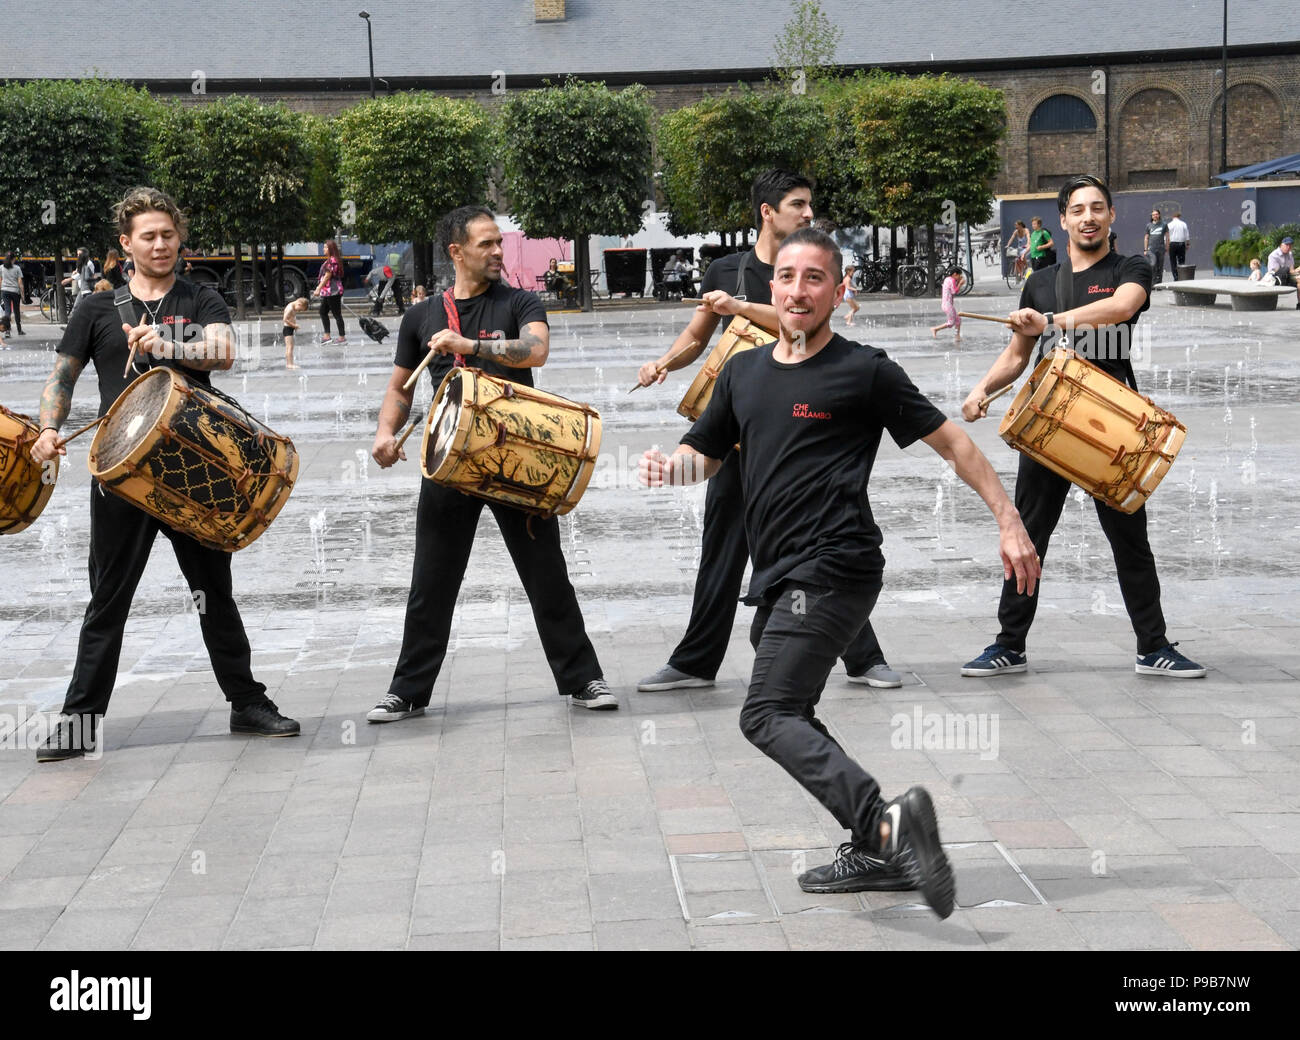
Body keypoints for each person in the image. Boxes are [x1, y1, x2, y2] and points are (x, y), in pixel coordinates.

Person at [639, 227, 1039, 914]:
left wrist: (1009, 520)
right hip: (780, 575)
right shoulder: (742, 371)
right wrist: (668, 467)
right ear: (771, 288)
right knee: (788, 707)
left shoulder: (865, 371)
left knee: (764, 713)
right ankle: (876, 842)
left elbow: (954, 445)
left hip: (835, 566)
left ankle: (890, 823)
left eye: (815, 278)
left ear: (838, 289)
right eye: (787, 277)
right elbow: (705, 456)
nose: (798, 290)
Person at [27, 186, 299, 761]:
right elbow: (63, 377)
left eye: (168, 235)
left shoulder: (202, 296)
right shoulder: (95, 308)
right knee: (108, 599)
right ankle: (79, 723)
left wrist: (170, 341)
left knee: (213, 593)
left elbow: (224, 351)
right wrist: (49, 429)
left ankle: (248, 703)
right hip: (121, 475)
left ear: (180, 239)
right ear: (125, 244)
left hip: (196, 468)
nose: (159, 244)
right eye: (147, 236)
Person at [634, 169, 906, 692]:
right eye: (798, 204)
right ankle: (695, 662)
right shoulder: (727, 270)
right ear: (767, 212)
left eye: (809, 205)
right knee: (721, 546)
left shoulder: (813, 267)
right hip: (735, 435)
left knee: (816, 551)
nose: (808, 213)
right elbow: (698, 335)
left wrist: (741, 309)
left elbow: (808, 331)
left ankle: (863, 657)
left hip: (804, 438)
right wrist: (664, 362)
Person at [366, 205, 616, 721]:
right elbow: (399, 388)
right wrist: (385, 432)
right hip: (449, 460)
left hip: (518, 458)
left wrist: (470, 344)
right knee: (431, 581)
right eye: (486, 244)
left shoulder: (520, 301)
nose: (498, 251)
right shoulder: (420, 316)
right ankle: (408, 690)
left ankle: (584, 679)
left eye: (499, 242)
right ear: (457, 252)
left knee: (546, 573)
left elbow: (535, 352)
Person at [960, 174, 1207, 680]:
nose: (1088, 217)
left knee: (1129, 538)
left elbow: (1122, 307)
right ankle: (1009, 644)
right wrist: (981, 390)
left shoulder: (1130, 266)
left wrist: (1050, 321)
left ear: (1112, 215)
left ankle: (1153, 646)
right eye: (1078, 210)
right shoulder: (1041, 279)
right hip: (1048, 424)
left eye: (1098, 208)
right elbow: (1016, 355)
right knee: (1028, 534)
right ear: (1064, 219)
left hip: (1113, 424)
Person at [315, 239, 346, 343]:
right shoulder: (330, 260)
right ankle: (327, 336)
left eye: (325, 247)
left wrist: (318, 288)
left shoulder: (332, 260)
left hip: (333, 291)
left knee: (337, 314)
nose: (323, 249)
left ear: (331, 249)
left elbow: (328, 276)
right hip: (328, 292)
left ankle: (342, 337)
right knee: (323, 311)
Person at [930, 266, 965, 343]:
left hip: (945, 304)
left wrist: (958, 281)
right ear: (955, 274)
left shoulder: (947, 279)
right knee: (951, 323)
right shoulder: (952, 280)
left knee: (958, 320)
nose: (959, 277)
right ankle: (935, 329)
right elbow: (954, 291)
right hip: (948, 305)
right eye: (959, 275)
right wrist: (960, 284)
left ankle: (957, 337)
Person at [62, 247, 98, 312]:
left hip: (87, 290)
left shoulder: (89, 263)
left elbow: (82, 275)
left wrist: (69, 279)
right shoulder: (83, 263)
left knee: (81, 308)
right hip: (83, 289)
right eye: (77, 254)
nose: (78, 256)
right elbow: (79, 273)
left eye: (79, 254)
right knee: (77, 308)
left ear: (84, 254)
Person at [1265, 237, 1297, 307]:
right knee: (1285, 269)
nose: (1288, 247)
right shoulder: (1273, 255)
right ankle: (1285, 283)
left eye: (1290, 245)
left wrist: (1297, 273)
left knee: (1298, 279)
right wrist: (1290, 272)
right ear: (1281, 245)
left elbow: (1292, 270)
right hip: (1275, 278)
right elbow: (1275, 271)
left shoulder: (1290, 254)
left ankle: (1299, 304)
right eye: (1286, 245)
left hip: (1287, 277)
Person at [282, 294, 309, 369]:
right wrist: (294, 325)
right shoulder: (290, 308)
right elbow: (285, 319)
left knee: (290, 347)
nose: (299, 311)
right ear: (299, 304)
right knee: (289, 347)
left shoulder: (293, 306)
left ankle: (289, 363)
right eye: (300, 309)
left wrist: (294, 325)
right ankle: (289, 364)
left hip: (289, 328)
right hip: (287, 329)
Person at [1, 252, 24, 336]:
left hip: (4, 291)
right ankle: (19, 330)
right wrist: (23, 294)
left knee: (7, 311)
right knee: (16, 310)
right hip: (15, 292)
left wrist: (2, 289)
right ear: (13, 259)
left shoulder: (1, 268)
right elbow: (20, 283)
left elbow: (0, 280)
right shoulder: (17, 268)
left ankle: (7, 330)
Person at [1144, 208, 1169, 285]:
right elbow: (1146, 237)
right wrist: (1145, 249)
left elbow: (1167, 237)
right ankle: (1153, 283)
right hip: (1151, 249)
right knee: (1153, 264)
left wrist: (1167, 247)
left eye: (1156, 214)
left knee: (1160, 266)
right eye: (1153, 214)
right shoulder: (1149, 225)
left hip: (1161, 249)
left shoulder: (1164, 224)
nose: (1155, 216)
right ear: (1151, 216)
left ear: (1159, 215)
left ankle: (1159, 284)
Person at [1166, 211, 1190, 279]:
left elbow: (1167, 236)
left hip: (1172, 244)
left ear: (1172, 217)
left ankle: (1175, 277)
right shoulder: (1183, 224)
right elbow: (1187, 235)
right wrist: (1187, 243)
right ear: (1179, 217)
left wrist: (1167, 246)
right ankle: (1182, 276)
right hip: (1181, 244)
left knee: (1173, 261)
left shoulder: (1169, 224)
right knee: (1181, 261)